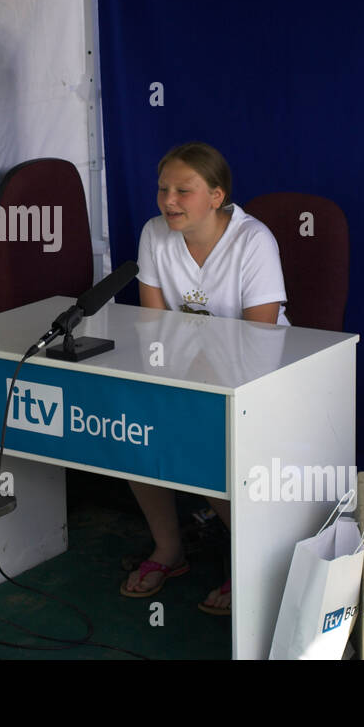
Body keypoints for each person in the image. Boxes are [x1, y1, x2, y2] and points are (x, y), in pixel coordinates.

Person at [121, 142, 288, 613]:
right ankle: (168, 550)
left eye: (183, 191)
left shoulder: (254, 239)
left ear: (216, 197)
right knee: (139, 427)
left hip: (260, 375)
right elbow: (153, 327)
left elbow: (259, 337)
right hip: (183, 370)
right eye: (162, 189)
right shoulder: (154, 234)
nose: (169, 200)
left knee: (205, 439)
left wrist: (195, 379)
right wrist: (170, 377)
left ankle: (254, 562)